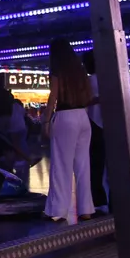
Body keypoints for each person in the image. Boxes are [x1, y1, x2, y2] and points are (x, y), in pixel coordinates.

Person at [43, 39, 95, 225]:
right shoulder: (80, 69)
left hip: (65, 117)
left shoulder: (57, 69)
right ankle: (86, 209)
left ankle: (58, 210)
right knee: (83, 165)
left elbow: (53, 96)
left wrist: (46, 120)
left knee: (61, 165)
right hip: (83, 116)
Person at [80, 52, 108, 212]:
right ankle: (104, 199)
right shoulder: (106, 79)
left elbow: (85, 100)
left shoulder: (89, 81)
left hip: (93, 123)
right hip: (104, 123)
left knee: (94, 165)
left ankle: (97, 199)